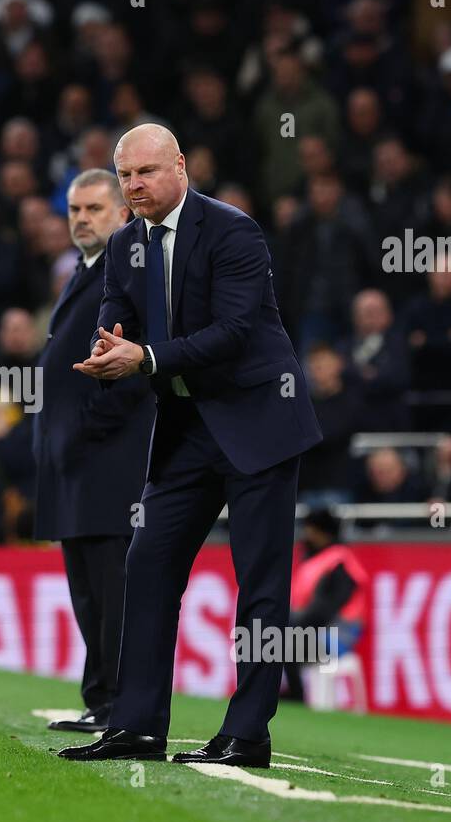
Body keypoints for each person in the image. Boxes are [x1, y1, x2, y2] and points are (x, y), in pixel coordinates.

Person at [61, 124, 321, 767]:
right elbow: (115, 313)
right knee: (147, 565)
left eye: (146, 172)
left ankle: (248, 733)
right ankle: (138, 725)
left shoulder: (233, 231)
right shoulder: (125, 244)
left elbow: (233, 331)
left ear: (180, 167)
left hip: (259, 420)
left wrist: (143, 356)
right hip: (185, 429)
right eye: (125, 175)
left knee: (260, 583)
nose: (135, 185)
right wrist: (107, 348)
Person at [34, 168, 153, 733]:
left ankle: (118, 705)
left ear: (123, 213)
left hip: (110, 460)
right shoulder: (84, 273)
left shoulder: (128, 270)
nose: (81, 218)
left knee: (112, 586)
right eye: (75, 210)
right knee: (88, 587)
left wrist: (85, 428)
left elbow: (133, 367)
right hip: (74, 461)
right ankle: (101, 699)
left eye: (94, 209)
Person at [280, 508, 367, 704]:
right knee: (271, 639)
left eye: (311, 529)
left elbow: (326, 609)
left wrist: (295, 627)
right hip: (317, 629)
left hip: (338, 634)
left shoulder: (339, 563)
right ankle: (293, 693)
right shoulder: (317, 558)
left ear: (323, 532)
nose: (307, 534)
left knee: (280, 642)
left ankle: (296, 695)